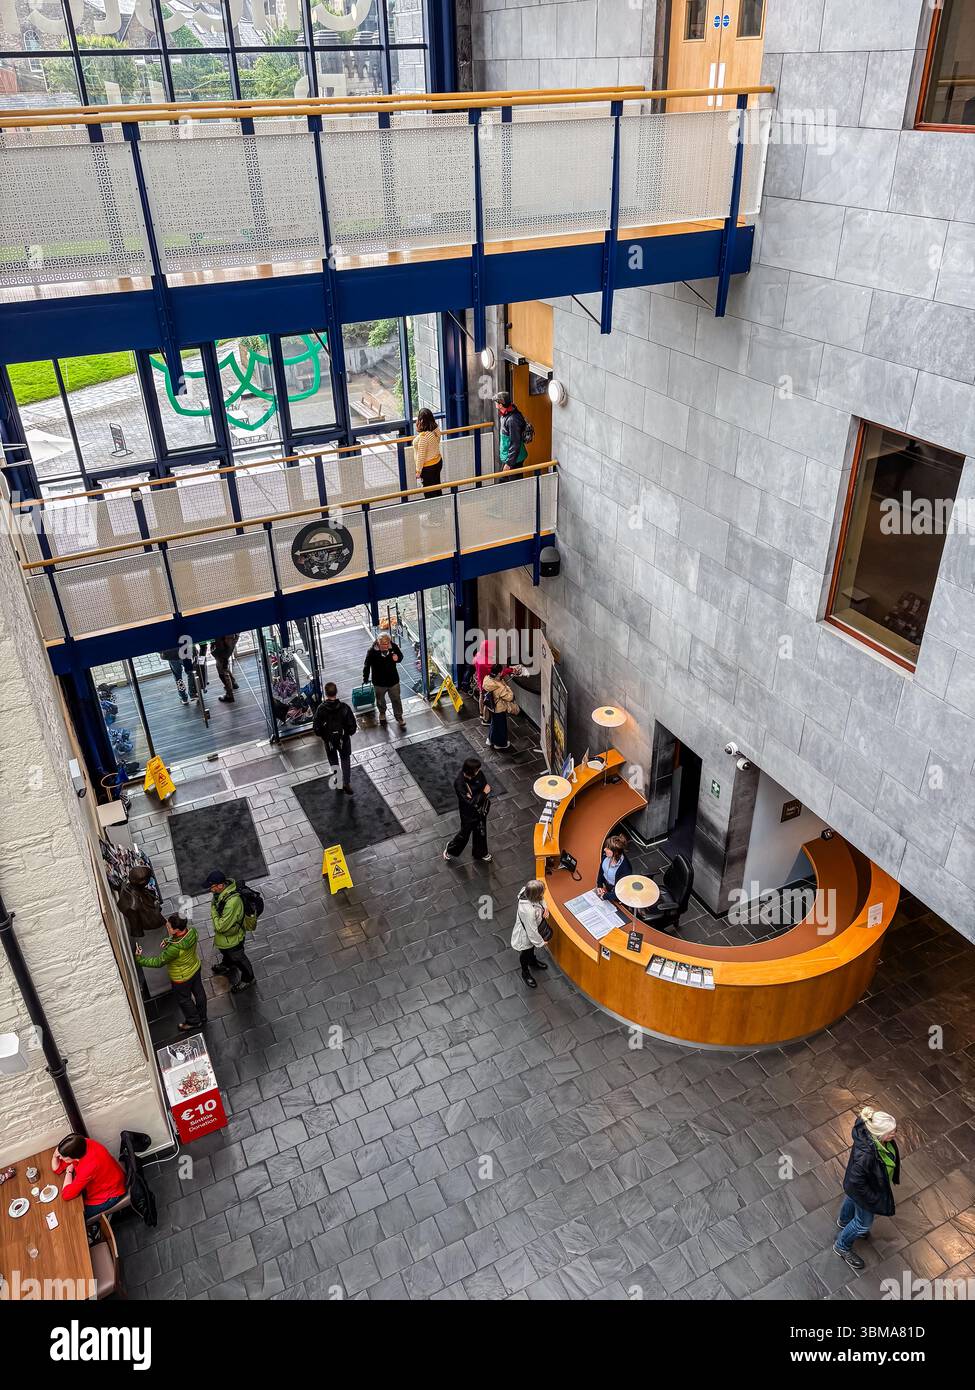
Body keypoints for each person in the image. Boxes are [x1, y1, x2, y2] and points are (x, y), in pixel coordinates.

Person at [833, 1105, 900, 1270]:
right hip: (865, 1191)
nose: (895, 1134)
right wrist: (872, 1199)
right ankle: (841, 1246)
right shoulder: (867, 1155)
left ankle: (844, 1221)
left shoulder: (870, 1138)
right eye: (891, 1132)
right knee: (863, 1223)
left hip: (857, 1187)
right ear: (879, 1134)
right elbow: (858, 1182)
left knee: (850, 1199)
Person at [135, 913, 208, 1031]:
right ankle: (203, 1016)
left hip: (182, 978)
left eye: (169, 927)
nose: (167, 928)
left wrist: (140, 958)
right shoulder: (192, 932)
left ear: (176, 930)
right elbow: (180, 940)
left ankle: (194, 1021)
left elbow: (158, 962)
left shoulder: (174, 949)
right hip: (195, 968)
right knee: (199, 993)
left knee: (185, 1000)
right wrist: (169, 940)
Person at [52, 1134, 126, 1222]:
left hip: (110, 1194)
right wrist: (54, 1156)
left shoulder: (88, 1167)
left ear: (74, 1157)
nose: (60, 1157)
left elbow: (66, 1195)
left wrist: (69, 1172)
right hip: (113, 1177)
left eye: (62, 1157)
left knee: (75, 1216)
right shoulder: (84, 1143)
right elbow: (58, 1168)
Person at [206, 871, 257, 993]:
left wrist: (213, 910)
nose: (210, 890)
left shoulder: (232, 902)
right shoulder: (221, 893)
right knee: (226, 952)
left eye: (212, 887)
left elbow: (221, 927)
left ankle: (249, 978)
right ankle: (228, 964)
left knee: (239, 958)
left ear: (220, 885)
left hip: (233, 938)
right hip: (226, 938)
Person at [444, 755, 492, 863]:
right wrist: (483, 793)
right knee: (465, 834)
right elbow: (470, 801)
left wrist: (476, 798)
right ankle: (451, 848)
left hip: (480, 809)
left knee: (481, 831)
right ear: (471, 771)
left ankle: (481, 853)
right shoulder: (460, 783)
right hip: (467, 813)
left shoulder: (479, 774)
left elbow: (484, 787)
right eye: (477, 769)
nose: (479, 770)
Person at [313, 682, 358, 794]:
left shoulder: (321, 709)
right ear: (336, 692)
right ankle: (346, 783)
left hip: (329, 741)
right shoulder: (344, 708)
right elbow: (352, 726)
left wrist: (324, 736)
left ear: (326, 693)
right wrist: (347, 733)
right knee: (345, 758)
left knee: (333, 759)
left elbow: (316, 728)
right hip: (343, 739)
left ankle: (337, 781)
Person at [363, 633, 407, 729]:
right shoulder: (372, 651)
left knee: (396, 700)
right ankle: (382, 713)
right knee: (380, 700)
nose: (386, 647)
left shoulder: (393, 647)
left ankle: (399, 717)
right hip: (379, 682)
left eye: (387, 645)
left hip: (393, 681)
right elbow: (367, 666)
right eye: (383, 645)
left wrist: (398, 658)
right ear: (378, 643)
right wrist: (365, 678)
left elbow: (400, 656)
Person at [511, 879, 549, 989]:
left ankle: (532, 962)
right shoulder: (528, 911)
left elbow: (541, 899)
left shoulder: (526, 891)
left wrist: (545, 907)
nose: (544, 892)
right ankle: (525, 972)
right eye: (542, 891)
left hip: (530, 932)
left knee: (530, 949)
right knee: (526, 952)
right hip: (525, 935)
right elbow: (531, 932)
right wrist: (541, 943)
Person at [114, 864, 165, 941]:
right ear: (142, 883)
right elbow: (137, 931)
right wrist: (156, 907)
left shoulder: (130, 887)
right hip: (152, 933)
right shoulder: (134, 905)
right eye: (148, 879)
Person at [482, 663, 519, 751]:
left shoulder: (487, 679)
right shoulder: (499, 687)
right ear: (498, 673)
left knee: (494, 724)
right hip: (499, 708)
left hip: (491, 706)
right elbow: (509, 697)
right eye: (501, 671)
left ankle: (491, 739)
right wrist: (505, 686)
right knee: (501, 726)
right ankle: (500, 744)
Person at [492, 390, 529, 478]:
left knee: (514, 485)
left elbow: (515, 443)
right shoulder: (507, 414)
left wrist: (509, 464)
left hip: (514, 460)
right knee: (505, 482)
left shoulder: (512, 420)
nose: (495, 403)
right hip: (510, 457)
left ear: (500, 405)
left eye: (496, 402)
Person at [413, 407, 443, 499]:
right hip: (438, 462)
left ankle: (434, 512)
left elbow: (421, 456)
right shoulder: (436, 430)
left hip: (428, 468)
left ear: (421, 420)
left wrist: (418, 472)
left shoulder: (424, 437)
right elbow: (436, 441)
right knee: (437, 488)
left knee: (429, 493)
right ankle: (441, 510)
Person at [596, 834, 633, 903]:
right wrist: (599, 885)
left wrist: (605, 896)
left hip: (614, 891)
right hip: (606, 886)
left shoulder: (625, 870)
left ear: (615, 853)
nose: (604, 849)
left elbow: (620, 891)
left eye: (607, 848)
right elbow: (601, 871)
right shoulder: (605, 856)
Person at [212, 633, 240, 704]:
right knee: (224, 664)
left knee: (222, 670)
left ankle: (229, 695)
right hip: (231, 639)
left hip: (224, 643)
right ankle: (233, 683)